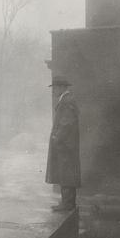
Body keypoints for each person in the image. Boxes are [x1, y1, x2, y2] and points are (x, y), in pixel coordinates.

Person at [45, 76, 80, 212]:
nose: (53, 91)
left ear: (61, 87)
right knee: (66, 172)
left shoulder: (66, 101)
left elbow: (67, 123)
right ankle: (67, 202)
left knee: (66, 173)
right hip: (67, 144)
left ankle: (67, 204)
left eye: (54, 88)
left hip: (65, 145)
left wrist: (56, 137)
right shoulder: (66, 100)